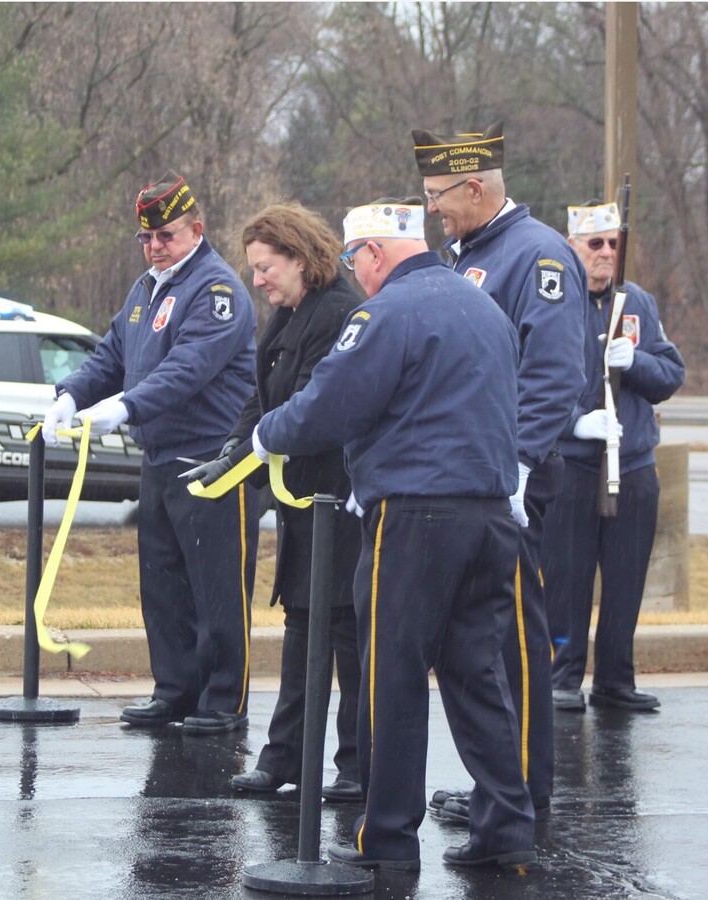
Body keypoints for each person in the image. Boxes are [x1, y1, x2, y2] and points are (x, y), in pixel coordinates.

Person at [253, 199, 535, 871]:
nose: (354, 272)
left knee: (391, 678)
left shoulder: (384, 314)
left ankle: (385, 840)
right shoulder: (484, 308)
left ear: (375, 253)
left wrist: (268, 434)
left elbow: (330, 404)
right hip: (491, 515)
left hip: (414, 520)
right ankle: (506, 828)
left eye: (355, 259)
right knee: (477, 674)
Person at [43, 170, 259, 735]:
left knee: (215, 588)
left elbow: (187, 369)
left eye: (166, 235)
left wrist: (126, 407)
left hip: (212, 459)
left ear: (196, 230)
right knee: (163, 586)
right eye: (146, 237)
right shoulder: (147, 288)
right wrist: (71, 395)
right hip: (160, 456)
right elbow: (110, 356)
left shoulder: (215, 291)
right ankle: (175, 690)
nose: (155, 246)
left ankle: (223, 701)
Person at [412, 125, 586, 817]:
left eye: (439, 196)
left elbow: (554, 373)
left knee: (511, 642)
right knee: (476, 642)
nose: (432, 210)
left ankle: (523, 792)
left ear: (476, 188)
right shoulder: (471, 255)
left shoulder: (537, 254)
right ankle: (498, 784)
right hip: (470, 480)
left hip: (509, 482)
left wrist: (518, 464)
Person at [182, 202, 364, 801]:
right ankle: (284, 758)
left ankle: (357, 765)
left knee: (346, 633)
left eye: (265, 268)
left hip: (338, 499)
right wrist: (232, 448)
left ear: (300, 257)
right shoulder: (289, 312)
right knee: (302, 628)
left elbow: (310, 405)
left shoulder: (337, 312)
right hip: (301, 501)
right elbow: (262, 397)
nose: (257, 280)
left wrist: (250, 451)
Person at [546, 200, 686, 712]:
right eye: (595, 243)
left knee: (626, 580)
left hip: (633, 464)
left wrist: (638, 361)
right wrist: (573, 423)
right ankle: (561, 674)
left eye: (613, 243)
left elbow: (671, 374)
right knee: (566, 582)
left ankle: (614, 679)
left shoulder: (638, 303)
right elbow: (531, 381)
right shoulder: (553, 302)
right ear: (572, 246)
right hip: (573, 464)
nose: (606, 252)